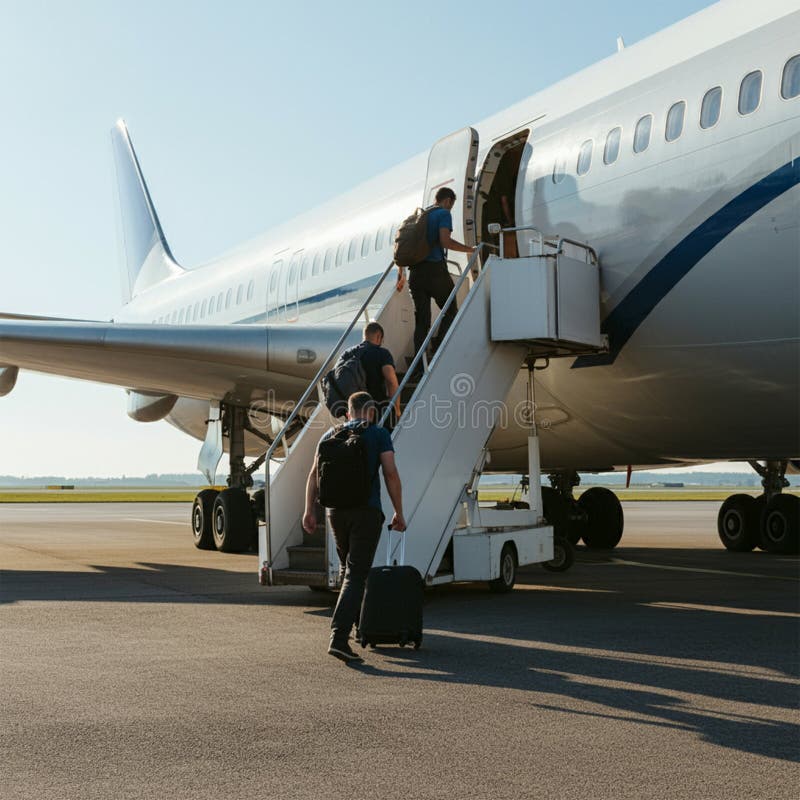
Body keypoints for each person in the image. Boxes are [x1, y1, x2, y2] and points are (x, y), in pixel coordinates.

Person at [302, 391, 406, 663]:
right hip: (366, 511)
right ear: (371, 411)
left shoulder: (330, 435)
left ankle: (361, 626)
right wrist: (399, 512)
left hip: (335, 513)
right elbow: (390, 473)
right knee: (356, 574)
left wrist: (309, 510)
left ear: (348, 412)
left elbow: (314, 474)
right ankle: (338, 637)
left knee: (350, 570)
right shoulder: (378, 434)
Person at [395, 187, 475, 369]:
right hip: (435, 271)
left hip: (415, 274)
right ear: (447, 201)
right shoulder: (443, 214)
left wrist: (401, 274)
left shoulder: (419, 218)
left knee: (422, 320)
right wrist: (469, 249)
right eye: (451, 205)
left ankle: (418, 364)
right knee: (451, 309)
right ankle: (438, 348)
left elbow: (404, 248)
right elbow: (445, 241)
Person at [338, 321, 400, 423]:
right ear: (379, 336)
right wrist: (396, 410)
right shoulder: (382, 353)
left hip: (353, 411)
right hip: (377, 408)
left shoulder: (347, 354)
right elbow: (391, 381)